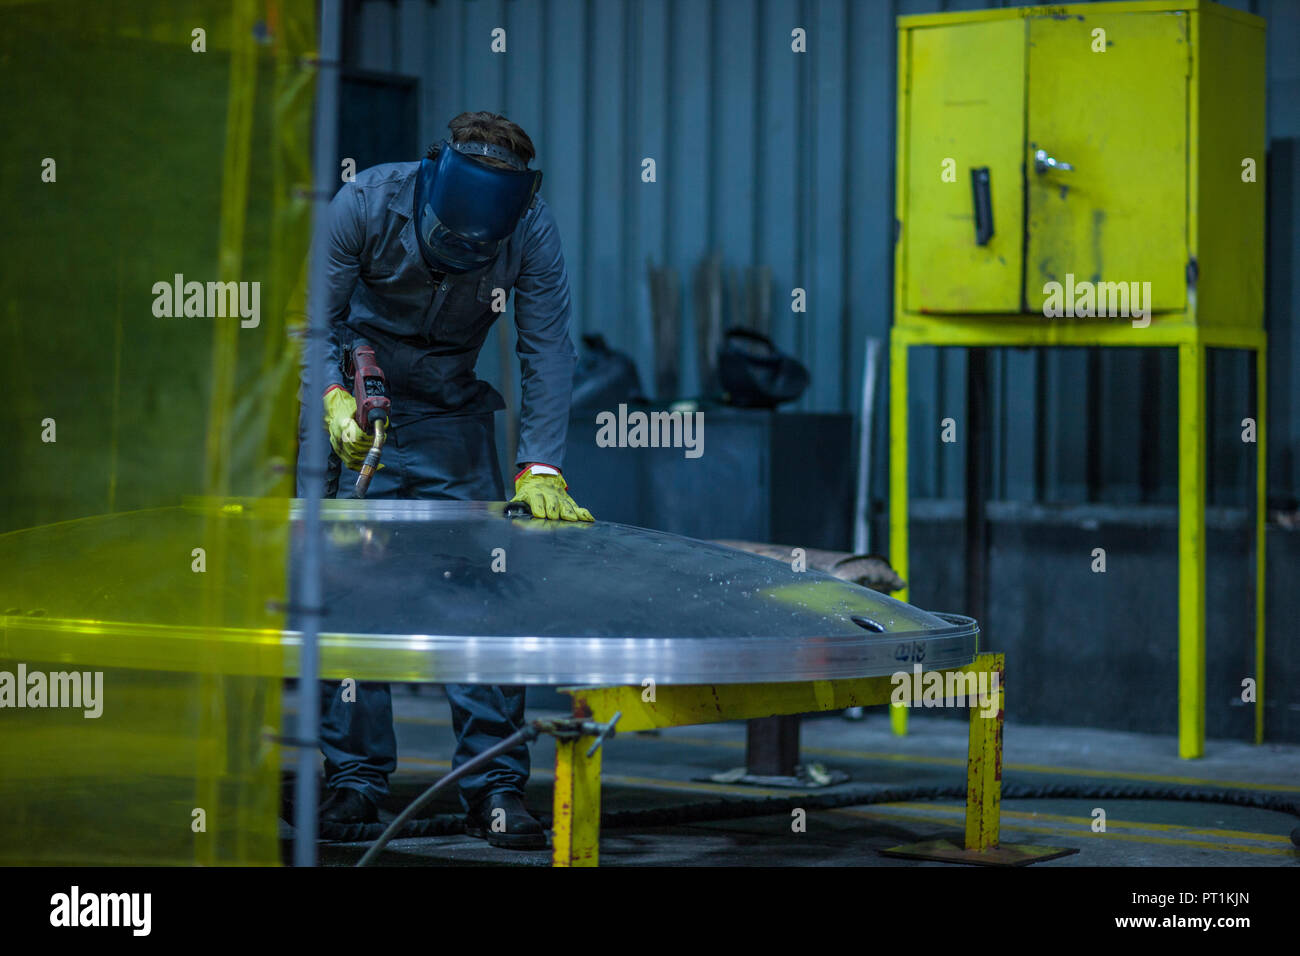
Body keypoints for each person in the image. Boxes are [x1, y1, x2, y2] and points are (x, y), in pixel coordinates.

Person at [299, 111, 593, 849]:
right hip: (359, 407)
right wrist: (332, 400)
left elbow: (548, 347)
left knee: (484, 593)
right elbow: (313, 326)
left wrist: (542, 464)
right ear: (430, 182)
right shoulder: (363, 204)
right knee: (352, 596)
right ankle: (355, 781)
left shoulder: (529, 228)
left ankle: (494, 786)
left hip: (454, 417)